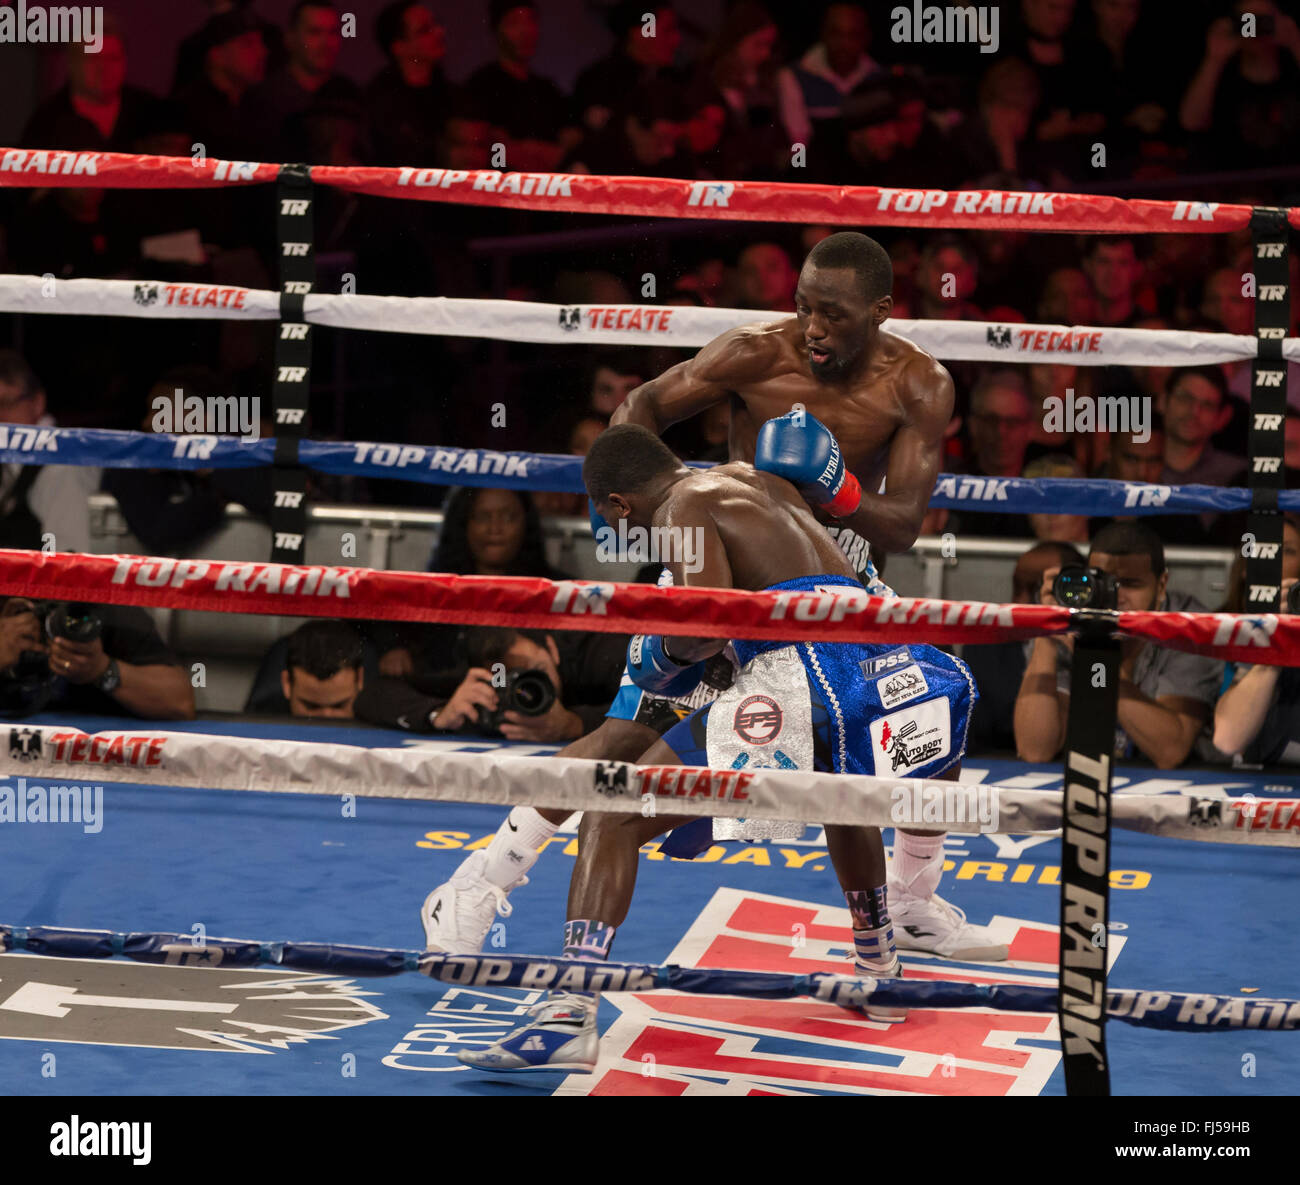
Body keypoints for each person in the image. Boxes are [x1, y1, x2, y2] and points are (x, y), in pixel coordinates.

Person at [422, 232, 1006, 965]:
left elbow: (906, 525)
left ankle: (912, 900)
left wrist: (838, 484)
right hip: (724, 575)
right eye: (803, 308)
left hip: (841, 585)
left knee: (932, 707)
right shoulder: (757, 353)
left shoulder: (921, 385)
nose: (813, 329)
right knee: (623, 743)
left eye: (833, 315)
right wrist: (638, 505)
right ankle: (479, 880)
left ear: (882, 311)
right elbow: (642, 404)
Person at [457, 424, 978, 1070]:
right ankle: (878, 967)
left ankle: (570, 1008)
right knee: (845, 798)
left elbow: (708, 624)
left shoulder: (680, 507)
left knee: (611, 811)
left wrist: (661, 654)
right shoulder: (757, 481)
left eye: (614, 521)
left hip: (800, 677)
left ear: (621, 504)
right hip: (878, 666)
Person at [1014, 521, 1224, 768]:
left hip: (1175, 790)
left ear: (1161, 585)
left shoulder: (1187, 625)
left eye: (1131, 583)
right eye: (1104, 581)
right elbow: (1035, 750)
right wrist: (1046, 634)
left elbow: (1170, 750)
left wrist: (1094, 656)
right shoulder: (1072, 617)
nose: (1115, 596)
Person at [963, 539, 1084, 752]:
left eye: (1036, 588)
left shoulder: (1085, 648)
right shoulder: (984, 650)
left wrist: (1050, 624)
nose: (1023, 599)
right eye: (1018, 587)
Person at [0, 598, 195, 721]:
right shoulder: (8, 582)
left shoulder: (101, 606)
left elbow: (179, 704)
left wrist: (100, 669)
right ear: (12, 609)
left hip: (105, 754)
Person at [1213, 514, 1300, 765]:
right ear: (1245, 566)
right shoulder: (1217, 629)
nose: (1275, 559)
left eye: (1289, 551)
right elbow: (1228, 740)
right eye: (1264, 549)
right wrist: (1277, 638)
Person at [0, 351, 99, 554]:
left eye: (6, 404)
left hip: (39, 583)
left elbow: (65, 559)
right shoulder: (9, 457)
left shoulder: (62, 464)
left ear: (37, 403)